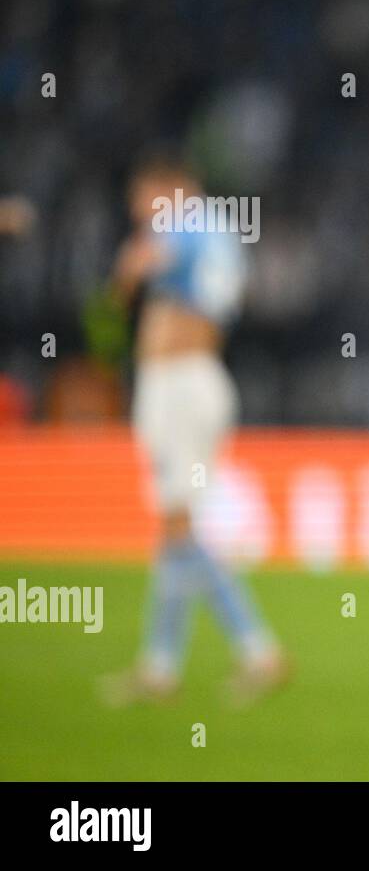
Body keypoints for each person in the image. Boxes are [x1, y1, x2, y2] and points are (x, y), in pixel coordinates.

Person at [100, 153, 289, 707]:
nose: (139, 210)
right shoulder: (216, 231)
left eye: (143, 196)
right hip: (185, 384)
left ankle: (259, 649)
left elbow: (132, 271)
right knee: (173, 530)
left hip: (181, 386)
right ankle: (160, 666)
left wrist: (126, 268)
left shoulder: (189, 221)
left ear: (169, 186)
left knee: (181, 529)